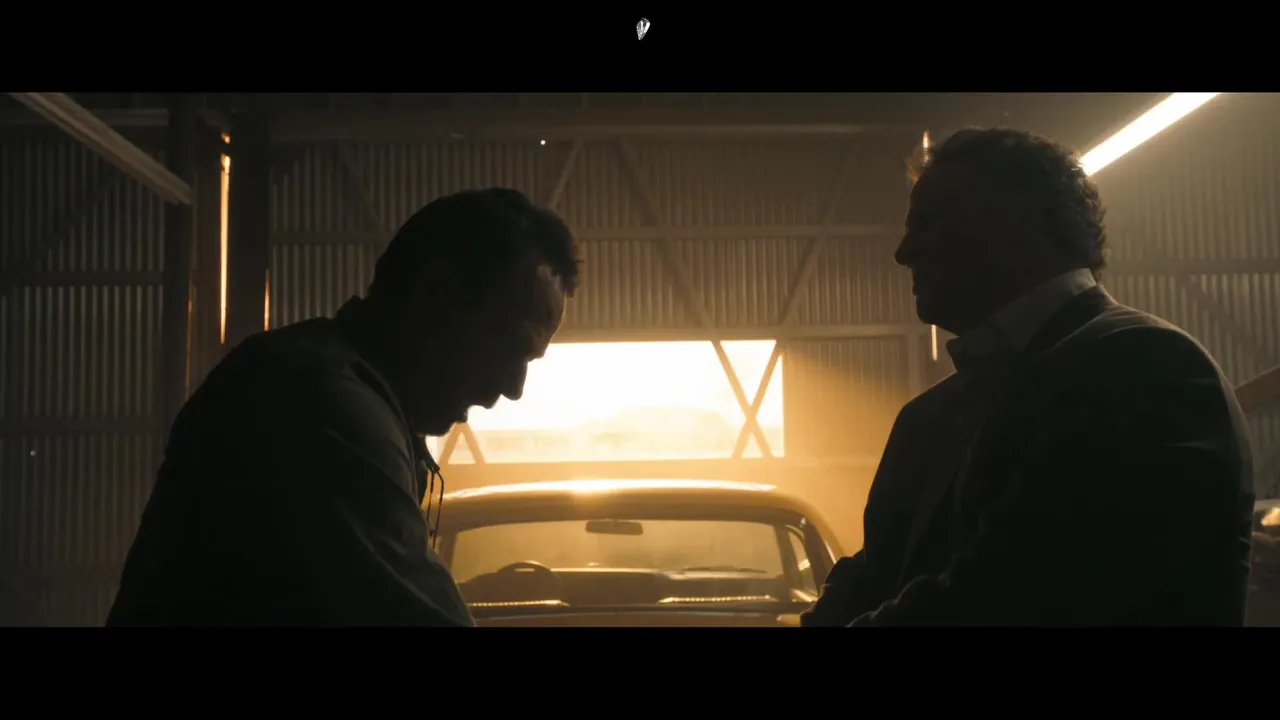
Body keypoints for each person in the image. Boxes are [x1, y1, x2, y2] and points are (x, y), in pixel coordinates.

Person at [802, 128, 1256, 626]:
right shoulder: (929, 415)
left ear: (1018, 224)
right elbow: (873, 574)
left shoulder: (1151, 368)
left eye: (931, 224)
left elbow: (1012, 598)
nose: (903, 252)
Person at [107, 188, 581, 626]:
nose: (514, 388)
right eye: (508, 347)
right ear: (437, 293)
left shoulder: (326, 385)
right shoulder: (325, 409)